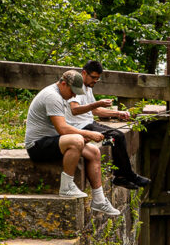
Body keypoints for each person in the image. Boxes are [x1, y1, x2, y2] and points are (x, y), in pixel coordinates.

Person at [24, 70, 121, 216]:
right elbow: (62, 129)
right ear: (63, 84)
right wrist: (87, 134)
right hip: (37, 146)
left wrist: (83, 136)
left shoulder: (61, 95)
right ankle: (67, 187)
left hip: (52, 140)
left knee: (94, 152)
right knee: (77, 140)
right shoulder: (52, 96)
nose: (74, 96)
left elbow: (63, 127)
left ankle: (99, 200)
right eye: (73, 91)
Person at [69, 60, 151, 190]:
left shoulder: (88, 87)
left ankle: (121, 176)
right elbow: (75, 110)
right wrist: (98, 103)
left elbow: (95, 110)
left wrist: (117, 113)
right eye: (93, 77)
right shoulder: (76, 85)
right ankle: (127, 176)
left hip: (89, 122)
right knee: (116, 137)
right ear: (84, 73)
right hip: (80, 126)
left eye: (98, 78)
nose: (95, 81)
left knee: (118, 136)